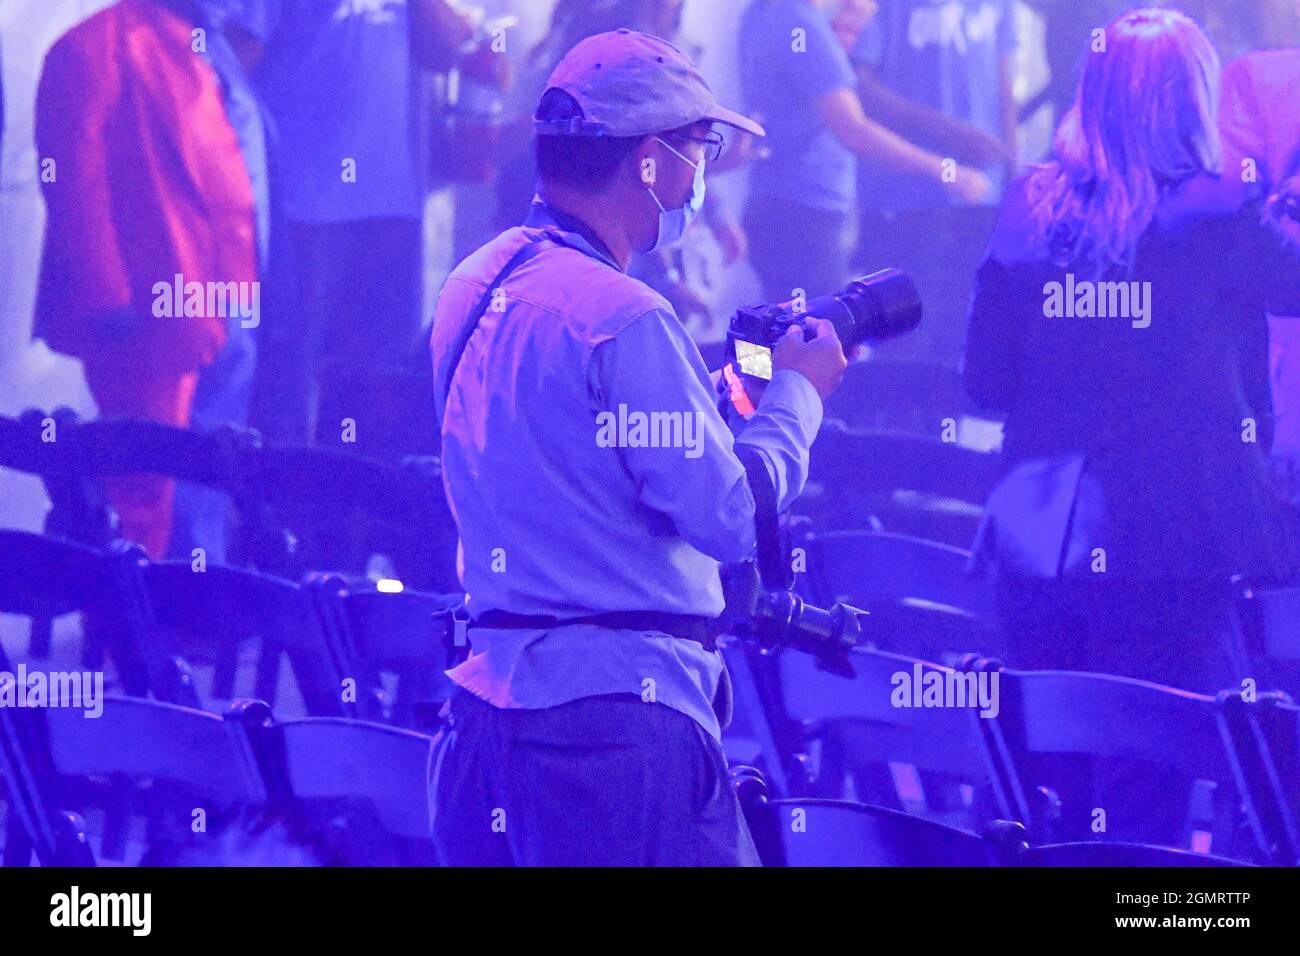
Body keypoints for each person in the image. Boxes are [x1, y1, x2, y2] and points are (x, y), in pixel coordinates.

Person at [428, 29, 848, 866]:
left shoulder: (474, 281)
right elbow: (732, 519)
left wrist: (722, 403)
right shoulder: (625, 316)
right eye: (701, 147)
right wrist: (801, 390)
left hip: (486, 709)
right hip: (615, 735)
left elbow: (576, 466)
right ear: (650, 162)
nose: (704, 173)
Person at [963, 8, 1300, 844]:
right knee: (1143, 799)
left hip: (1036, 541)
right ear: (1192, 100)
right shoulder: (1219, 212)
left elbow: (985, 385)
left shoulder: (1027, 204)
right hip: (1170, 550)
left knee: (1053, 792)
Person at [34, 0, 259, 559]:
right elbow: (72, 183)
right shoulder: (92, 47)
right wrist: (105, 298)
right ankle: (133, 632)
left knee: (202, 473)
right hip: (146, 314)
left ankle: (185, 615)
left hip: (219, 302)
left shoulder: (204, 46)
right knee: (142, 488)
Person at [739, 0, 991, 305]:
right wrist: (946, 170)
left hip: (776, 206)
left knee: (787, 336)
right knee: (813, 338)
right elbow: (854, 129)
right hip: (807, 219)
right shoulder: (802, 24)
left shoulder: (764, 13)